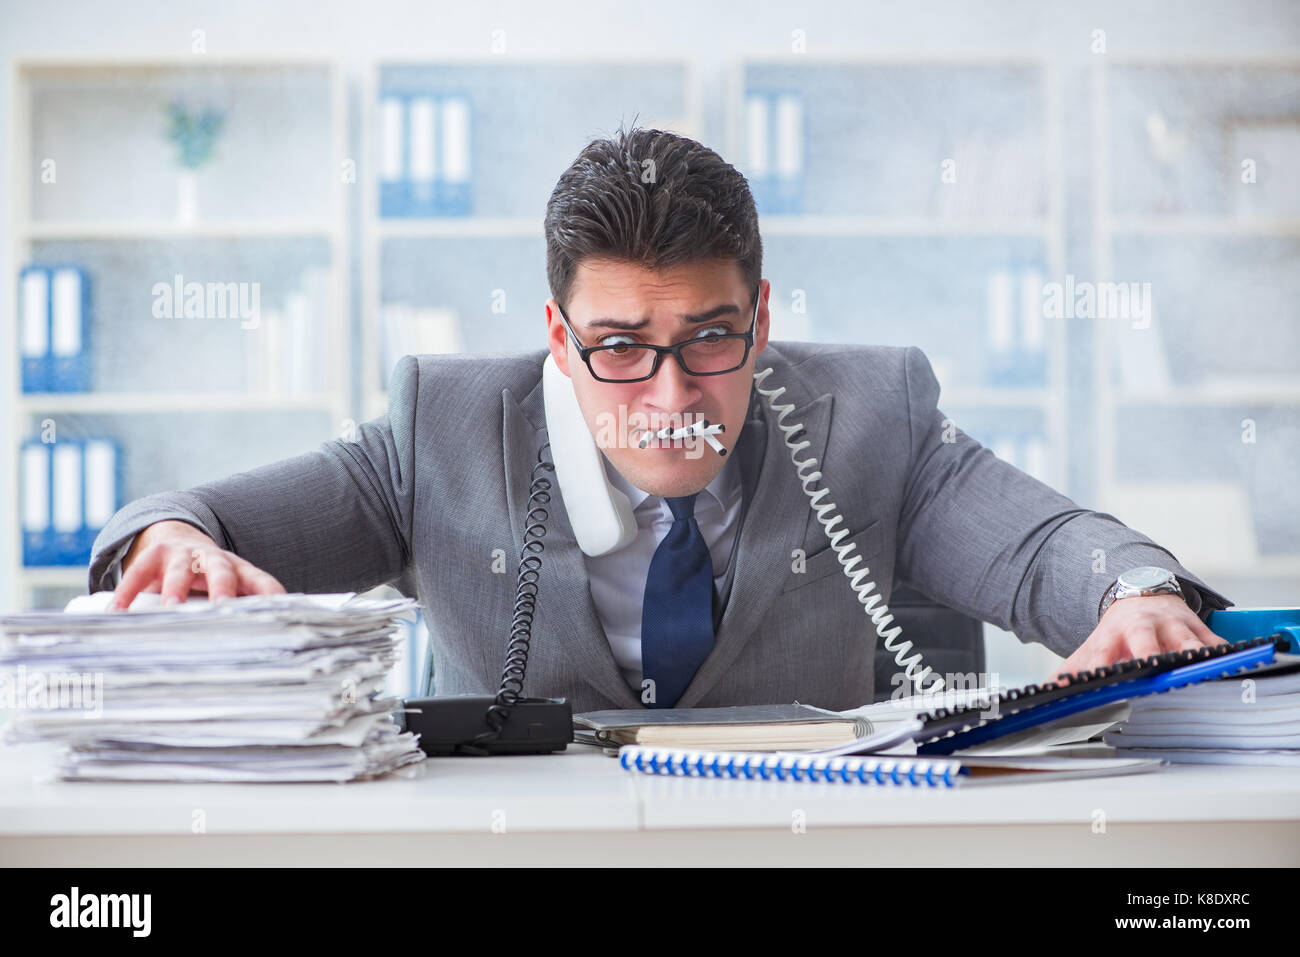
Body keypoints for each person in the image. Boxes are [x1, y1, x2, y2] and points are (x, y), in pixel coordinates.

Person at [90, 125, 1232, 713]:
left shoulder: (870, 413)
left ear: (763, 316)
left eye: (711, 340)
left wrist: (1133, 591)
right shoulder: (442, 425)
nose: (673, 396)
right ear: (558, 335)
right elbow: (184, 521)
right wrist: (170, 544)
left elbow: (1043, 546)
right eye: (621, 351)